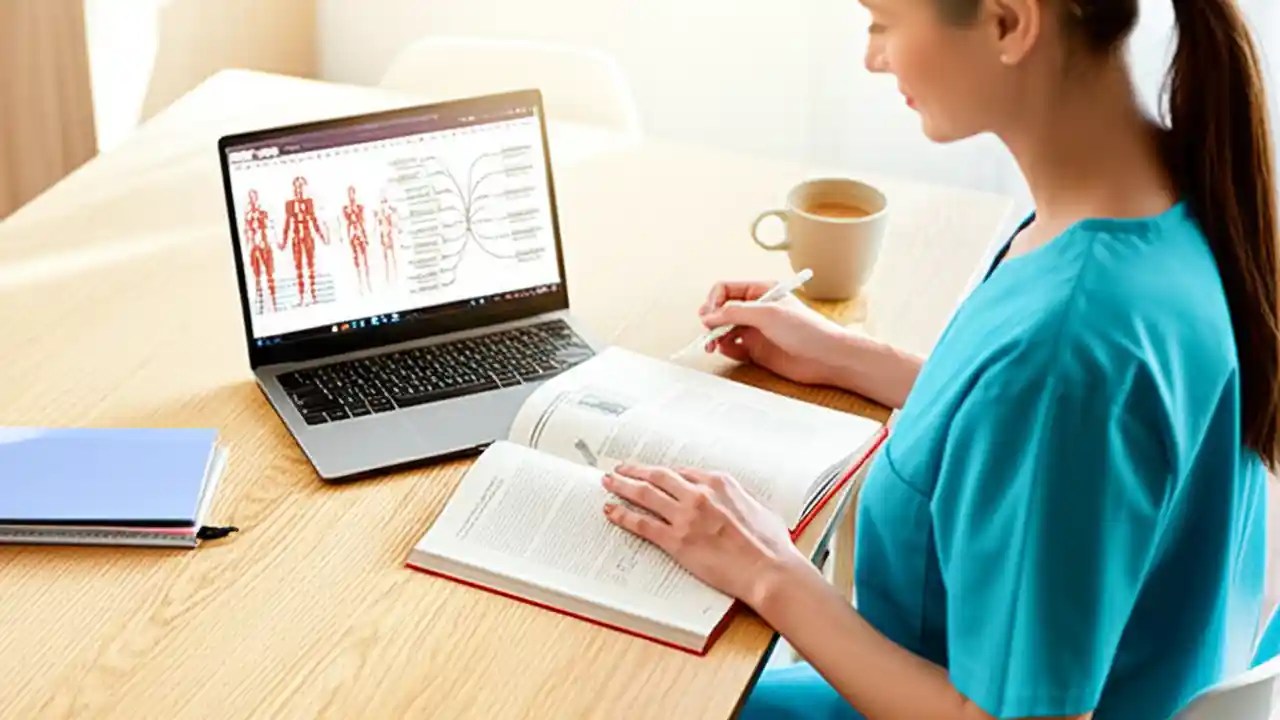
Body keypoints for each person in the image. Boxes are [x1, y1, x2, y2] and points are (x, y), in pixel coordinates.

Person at [600, 0, 1278, 718]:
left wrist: (767, 568)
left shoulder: (1066, 350)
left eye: (883, 21)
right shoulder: (1165, 196)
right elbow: (1037, 443)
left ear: (1008, 23)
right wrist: (850, 356)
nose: (872, 56)